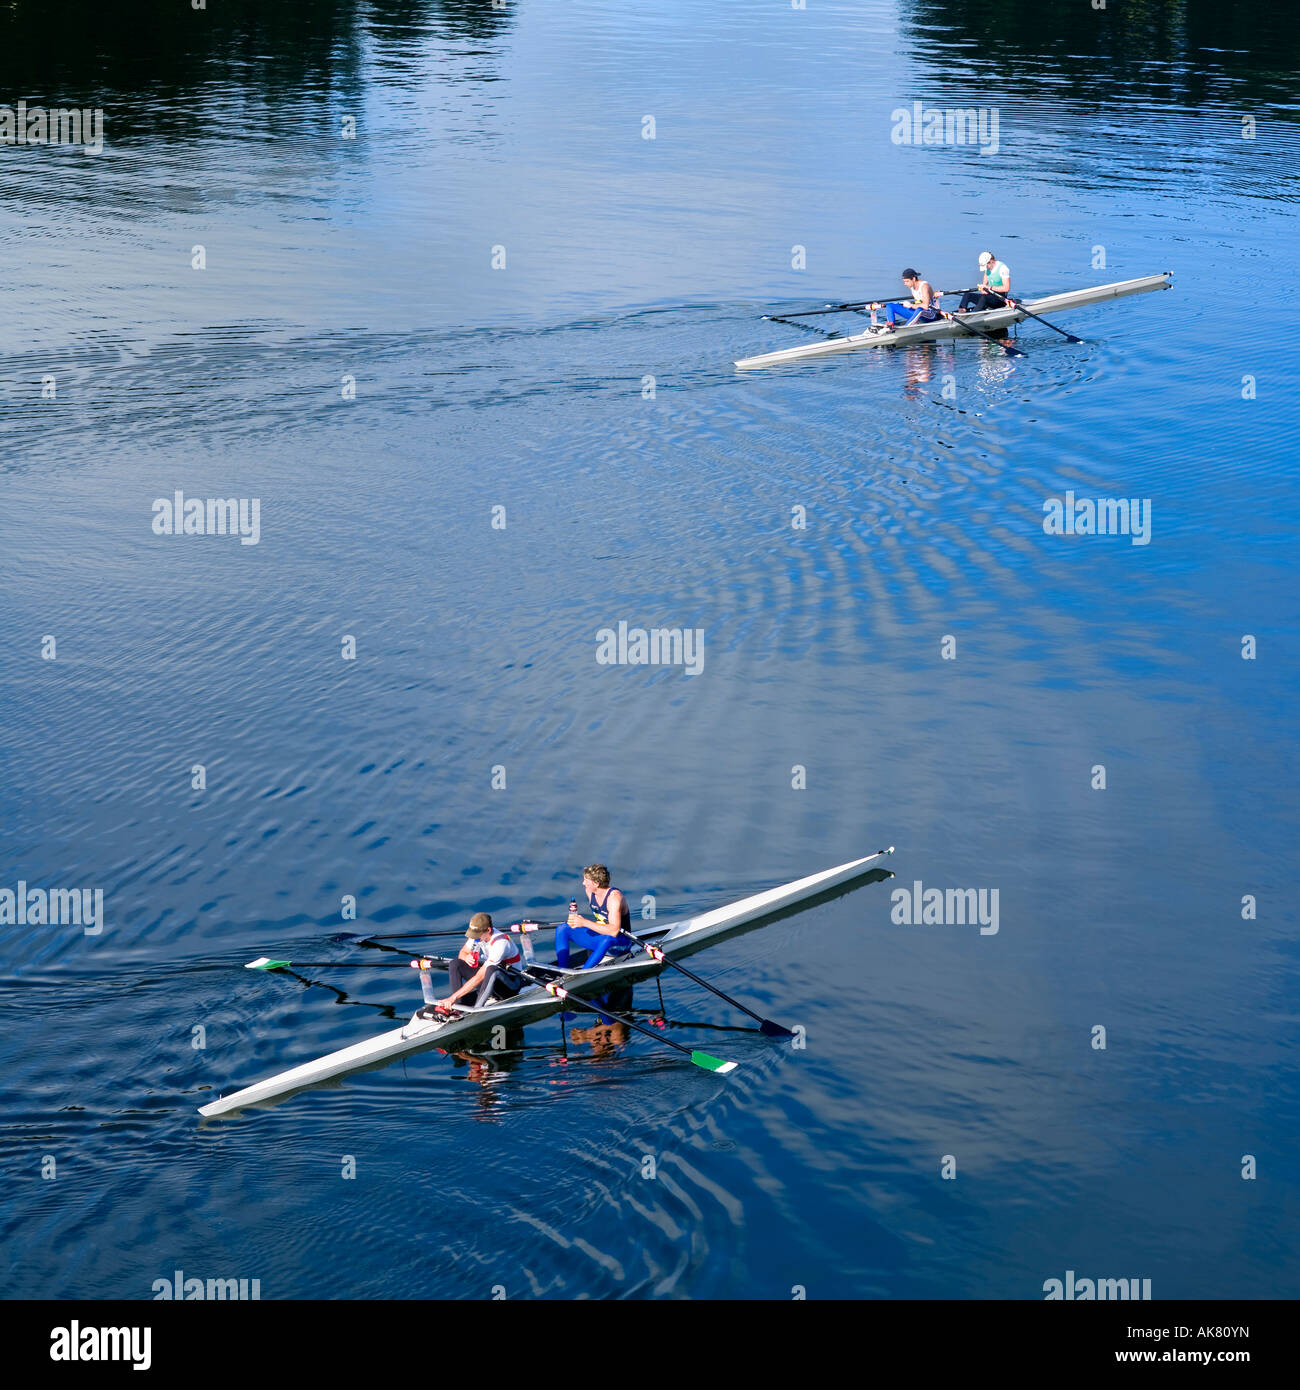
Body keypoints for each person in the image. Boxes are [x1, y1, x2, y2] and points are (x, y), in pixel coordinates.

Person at [428, 913, 526, 1015]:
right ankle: (458, 1006)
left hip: (511, 986)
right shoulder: (478, 934)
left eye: (476, 935)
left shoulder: (501, 943)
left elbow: (480, 976)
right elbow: (462, 953)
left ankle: (477, 1010)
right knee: (455, 963)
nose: (474, 938)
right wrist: (466, 957)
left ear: (488, 930)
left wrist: (452, 997)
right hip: (493, 981)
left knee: (491, 970)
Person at [553, 864, 635, 970]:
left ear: (596, 883)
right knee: (562, 928)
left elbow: (614, 931)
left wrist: (584, 922)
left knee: (607, 939)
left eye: (586, 880)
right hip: (601, 937)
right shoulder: (590, 892)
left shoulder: (614, 898)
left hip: (620, 943)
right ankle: (561, 970)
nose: (583, 883)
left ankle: (583, 974)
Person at [873, 269, 942, 329]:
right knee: (890, 305)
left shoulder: (924, 286)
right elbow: (918, 302)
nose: (905, 284)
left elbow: (925, 306)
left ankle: (906, 328)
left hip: (931, 314)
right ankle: (890, 325)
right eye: (904, 281)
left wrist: (910, 305)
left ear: (914, 279)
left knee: (919, 309)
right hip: (920, 313)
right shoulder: (912, 286)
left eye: (907, 281)